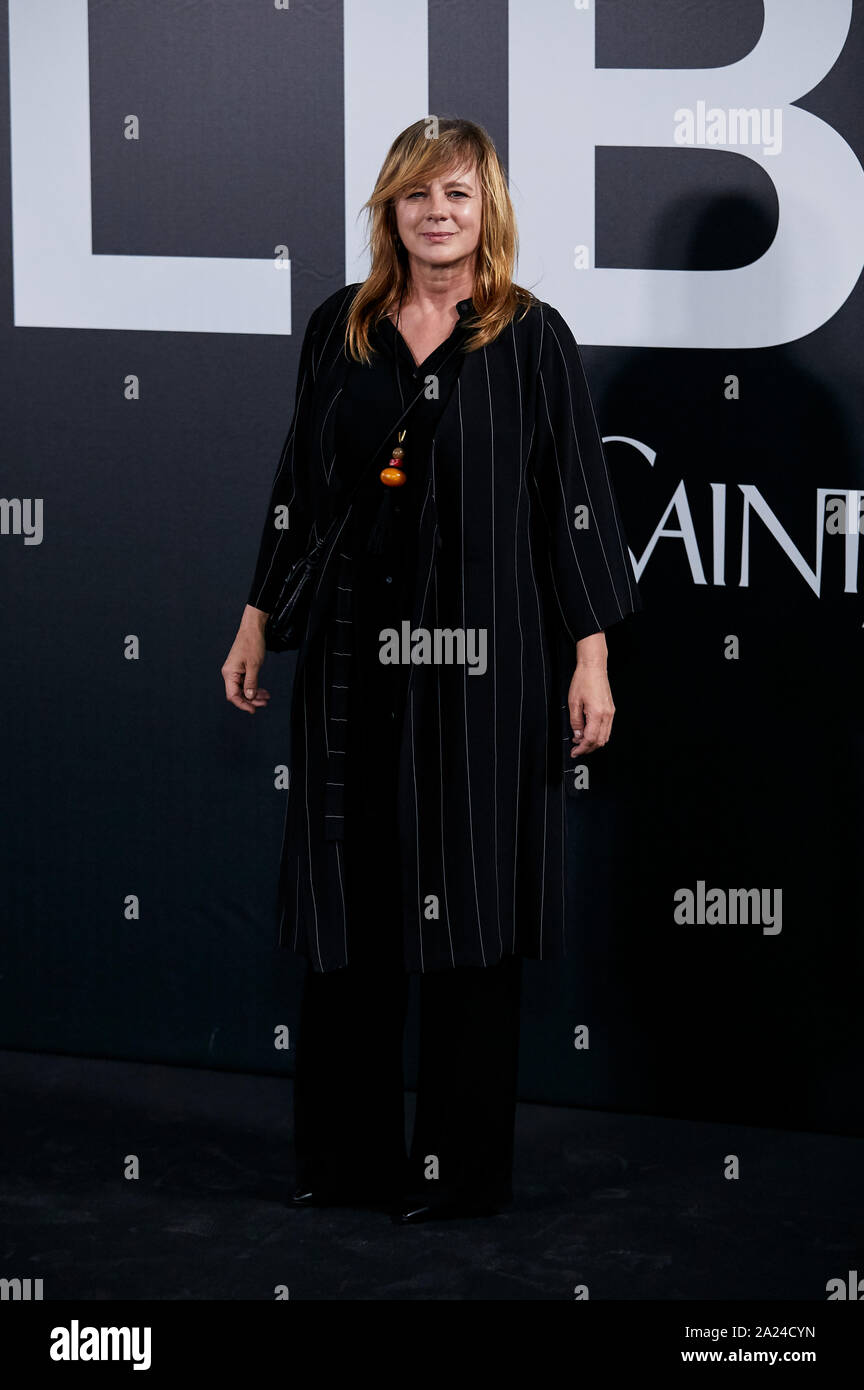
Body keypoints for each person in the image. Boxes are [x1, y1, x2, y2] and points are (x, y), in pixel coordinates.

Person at [221, 117, 643, 1223]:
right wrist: (257, 615)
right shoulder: (340, 329)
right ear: (389, 210)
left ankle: (454, 1175)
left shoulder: (530, 337)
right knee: (347, 905)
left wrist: (588, 652)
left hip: (484, 663)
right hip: (354, 653)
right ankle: (344, 1162)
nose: (437, 212)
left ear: (485, 207)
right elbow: (298, 484)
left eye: (456, 193)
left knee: (468, 913)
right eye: (416, 194)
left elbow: (573, 505)